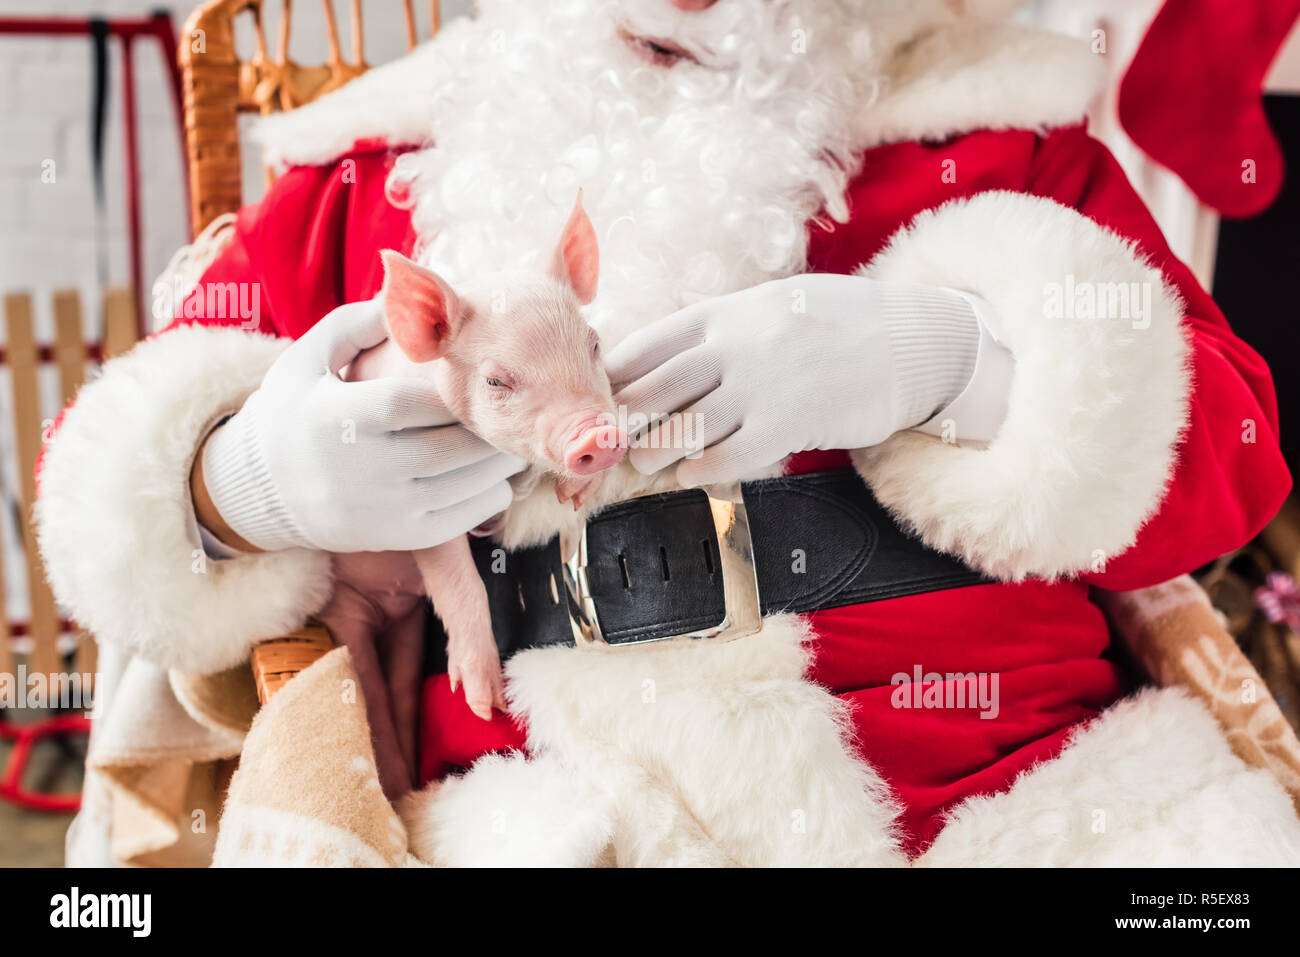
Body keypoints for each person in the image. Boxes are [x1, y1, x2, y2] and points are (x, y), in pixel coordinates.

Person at [37, 0, 1300, 865]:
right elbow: (113, 486)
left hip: (1002, 804)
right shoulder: (371, 162)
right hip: (548, 819)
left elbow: (1233, 469)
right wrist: (238, 484)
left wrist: (949, 361)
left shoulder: (1001, 135)